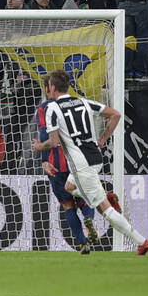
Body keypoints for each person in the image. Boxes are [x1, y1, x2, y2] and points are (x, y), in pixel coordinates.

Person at [33, 69, 148, 255]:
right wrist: (103, 138)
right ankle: (105, 195)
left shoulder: (52, 109)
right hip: (96, 156)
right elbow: (115, 114)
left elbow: (54, 142)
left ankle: (141, 241)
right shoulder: (84, 102)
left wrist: (39, 147)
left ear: (53, 87)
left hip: (81, 163)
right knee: (70, 187)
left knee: (104, 209)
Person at [36, 82, 98, 254]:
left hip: (55, 164)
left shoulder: (44, 109)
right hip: (77, 161)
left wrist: (43, 159)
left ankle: (82, 243)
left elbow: (45, 134)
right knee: (85, 198)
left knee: (68, 205)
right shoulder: (79, 103)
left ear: (49, 88)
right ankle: (89, 221)